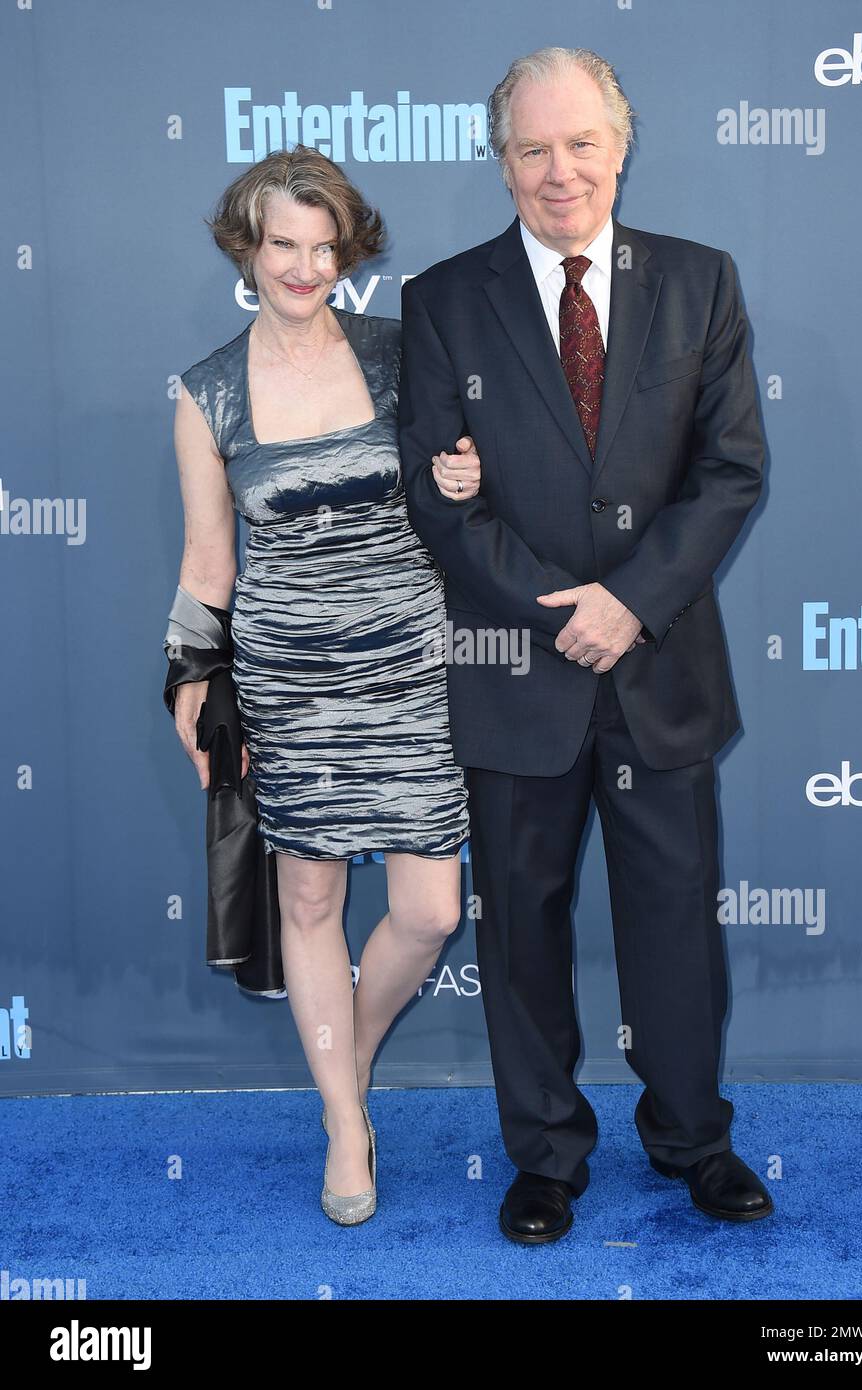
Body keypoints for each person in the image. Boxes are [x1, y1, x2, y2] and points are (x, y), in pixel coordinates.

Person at [399, 46, 770, 1241]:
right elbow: (437, 496)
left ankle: (691, 1140)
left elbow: (729, 470)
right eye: (531, 150)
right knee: (521, 926)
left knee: (673, 920)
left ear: (621, 145)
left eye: (580, 144)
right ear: (498, 161)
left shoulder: (699, 282)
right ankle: (546, 1157)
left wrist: (632, 602)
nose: (559, 172)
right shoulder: (443, 300)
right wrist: (567, 610)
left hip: (658, 665)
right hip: (517, 672)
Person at [166, 146, 481, 1226]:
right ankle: (346, 1119)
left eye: (321, 246)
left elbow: (466, 485)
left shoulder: (402, 354)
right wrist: (190, 680)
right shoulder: (206, 392)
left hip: (408, 668)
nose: (302, 267)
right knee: (309, 899)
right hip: (288, 679)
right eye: (280, 246)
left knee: (430, 909)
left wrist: (463, 475)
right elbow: (208, 566)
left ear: (346, 250)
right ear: (245, 250)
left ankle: (340, 1049)